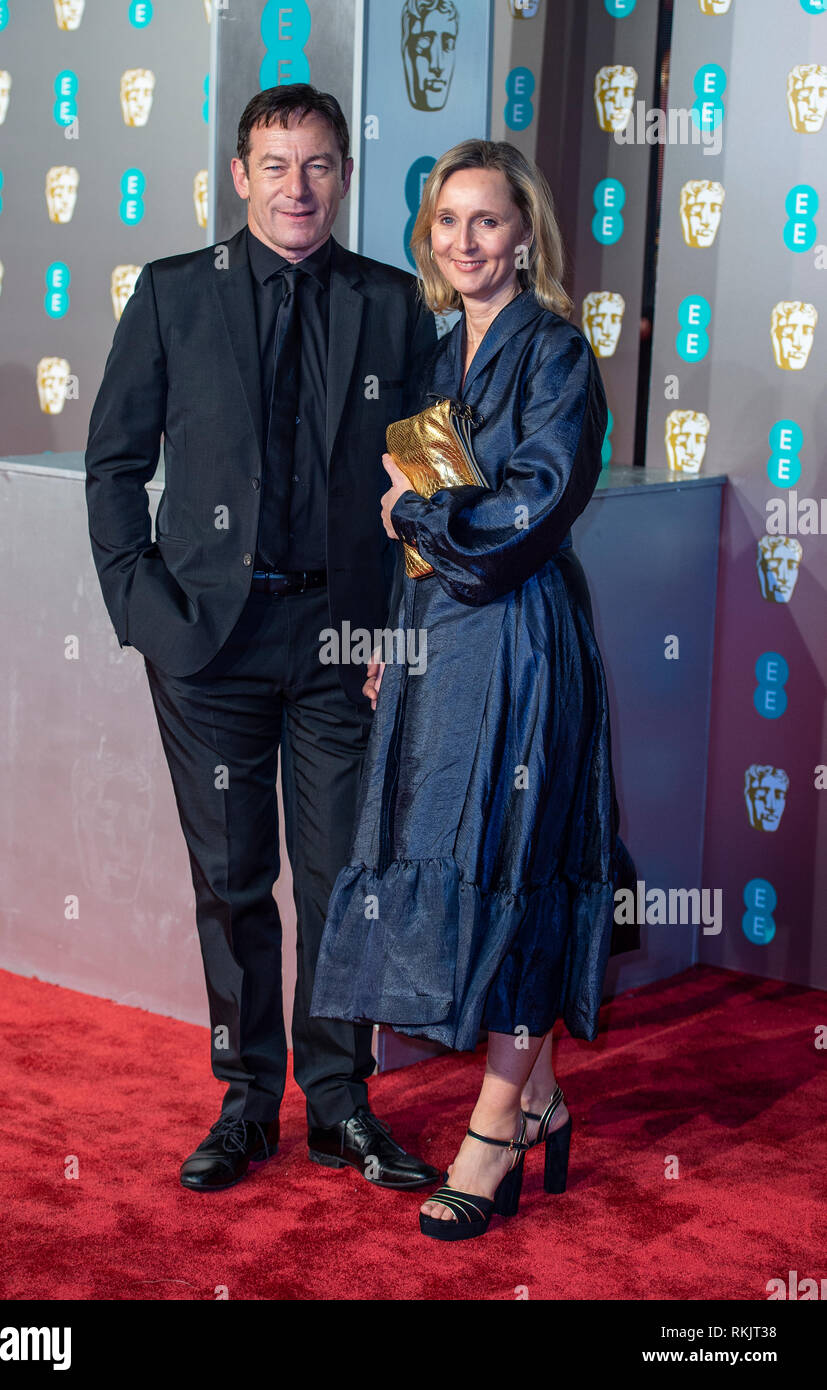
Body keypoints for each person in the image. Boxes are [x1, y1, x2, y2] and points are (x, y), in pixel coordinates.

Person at [84, 85, 440, 1195]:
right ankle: (246, 1102)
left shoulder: (392, 304)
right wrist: (146, 609)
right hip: (210, 645)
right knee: (232, 881)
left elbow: (429, 481)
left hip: (342, 640)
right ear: (239, 175)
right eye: (276, 164)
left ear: (344, 175)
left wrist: (402, 624)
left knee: (341, 880)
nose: (297, 187)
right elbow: (113, 466)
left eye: (320, 165)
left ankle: (339, 1104)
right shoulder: (173, 294)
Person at [310, 139, 639, 1240]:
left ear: (524, 234)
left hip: (523, 646)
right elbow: (438, 542)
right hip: (440, 646)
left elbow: (518, 522)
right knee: (462, 859)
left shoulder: (557, 354)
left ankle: (493, 1129)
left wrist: (410, 513)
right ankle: (537, 1096)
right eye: (446, 222)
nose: (464, 241)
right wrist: (392, 637)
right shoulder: (439, 353)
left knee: (517, 865)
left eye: (486, 221)